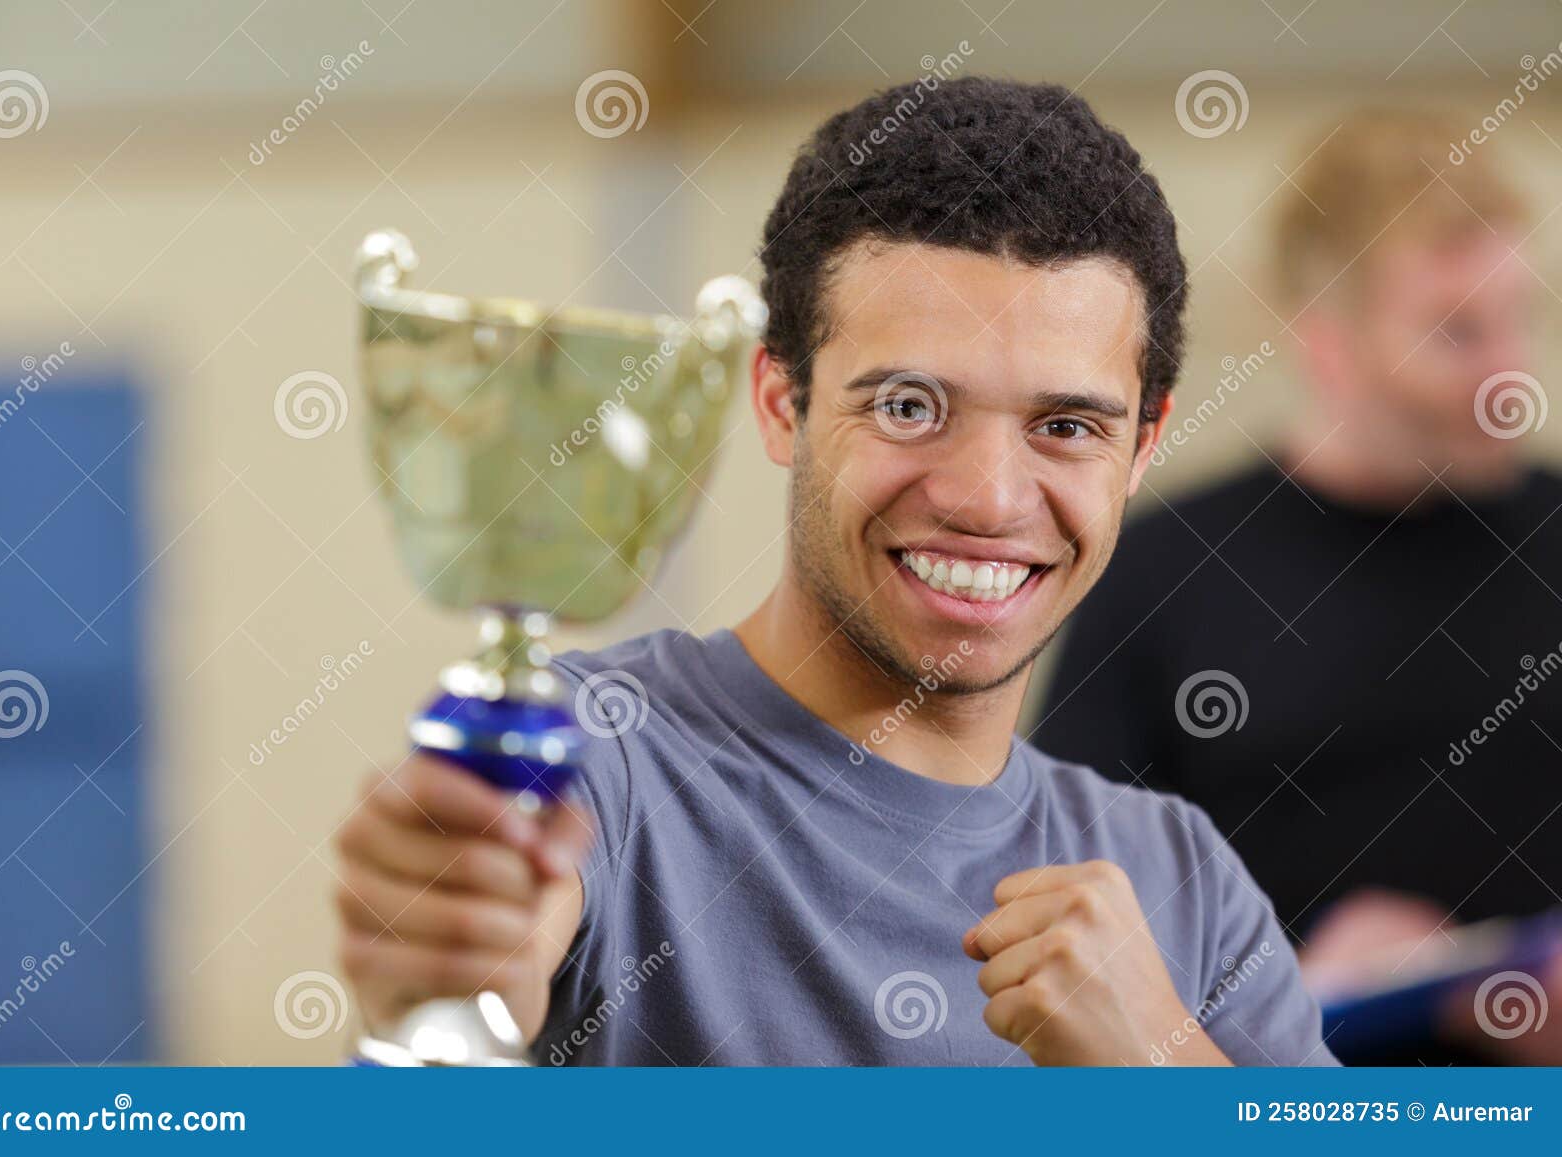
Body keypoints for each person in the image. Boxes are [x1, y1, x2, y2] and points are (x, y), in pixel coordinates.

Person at [333, 77, 1334, 1067]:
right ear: (779, 400)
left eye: (1065, 426)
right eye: (907, 406)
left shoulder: (1182, 883)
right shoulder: (595, 767)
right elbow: (467, 991)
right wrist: (442, 1001)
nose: (987, 499)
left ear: (1143, 445)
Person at [1034, 108, 1562, 1063]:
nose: (1511, 375)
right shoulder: (1156, 575)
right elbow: (1057, 932)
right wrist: (1303, 989)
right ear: (1328, 342)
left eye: (1521, 317)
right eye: (1456, 333)